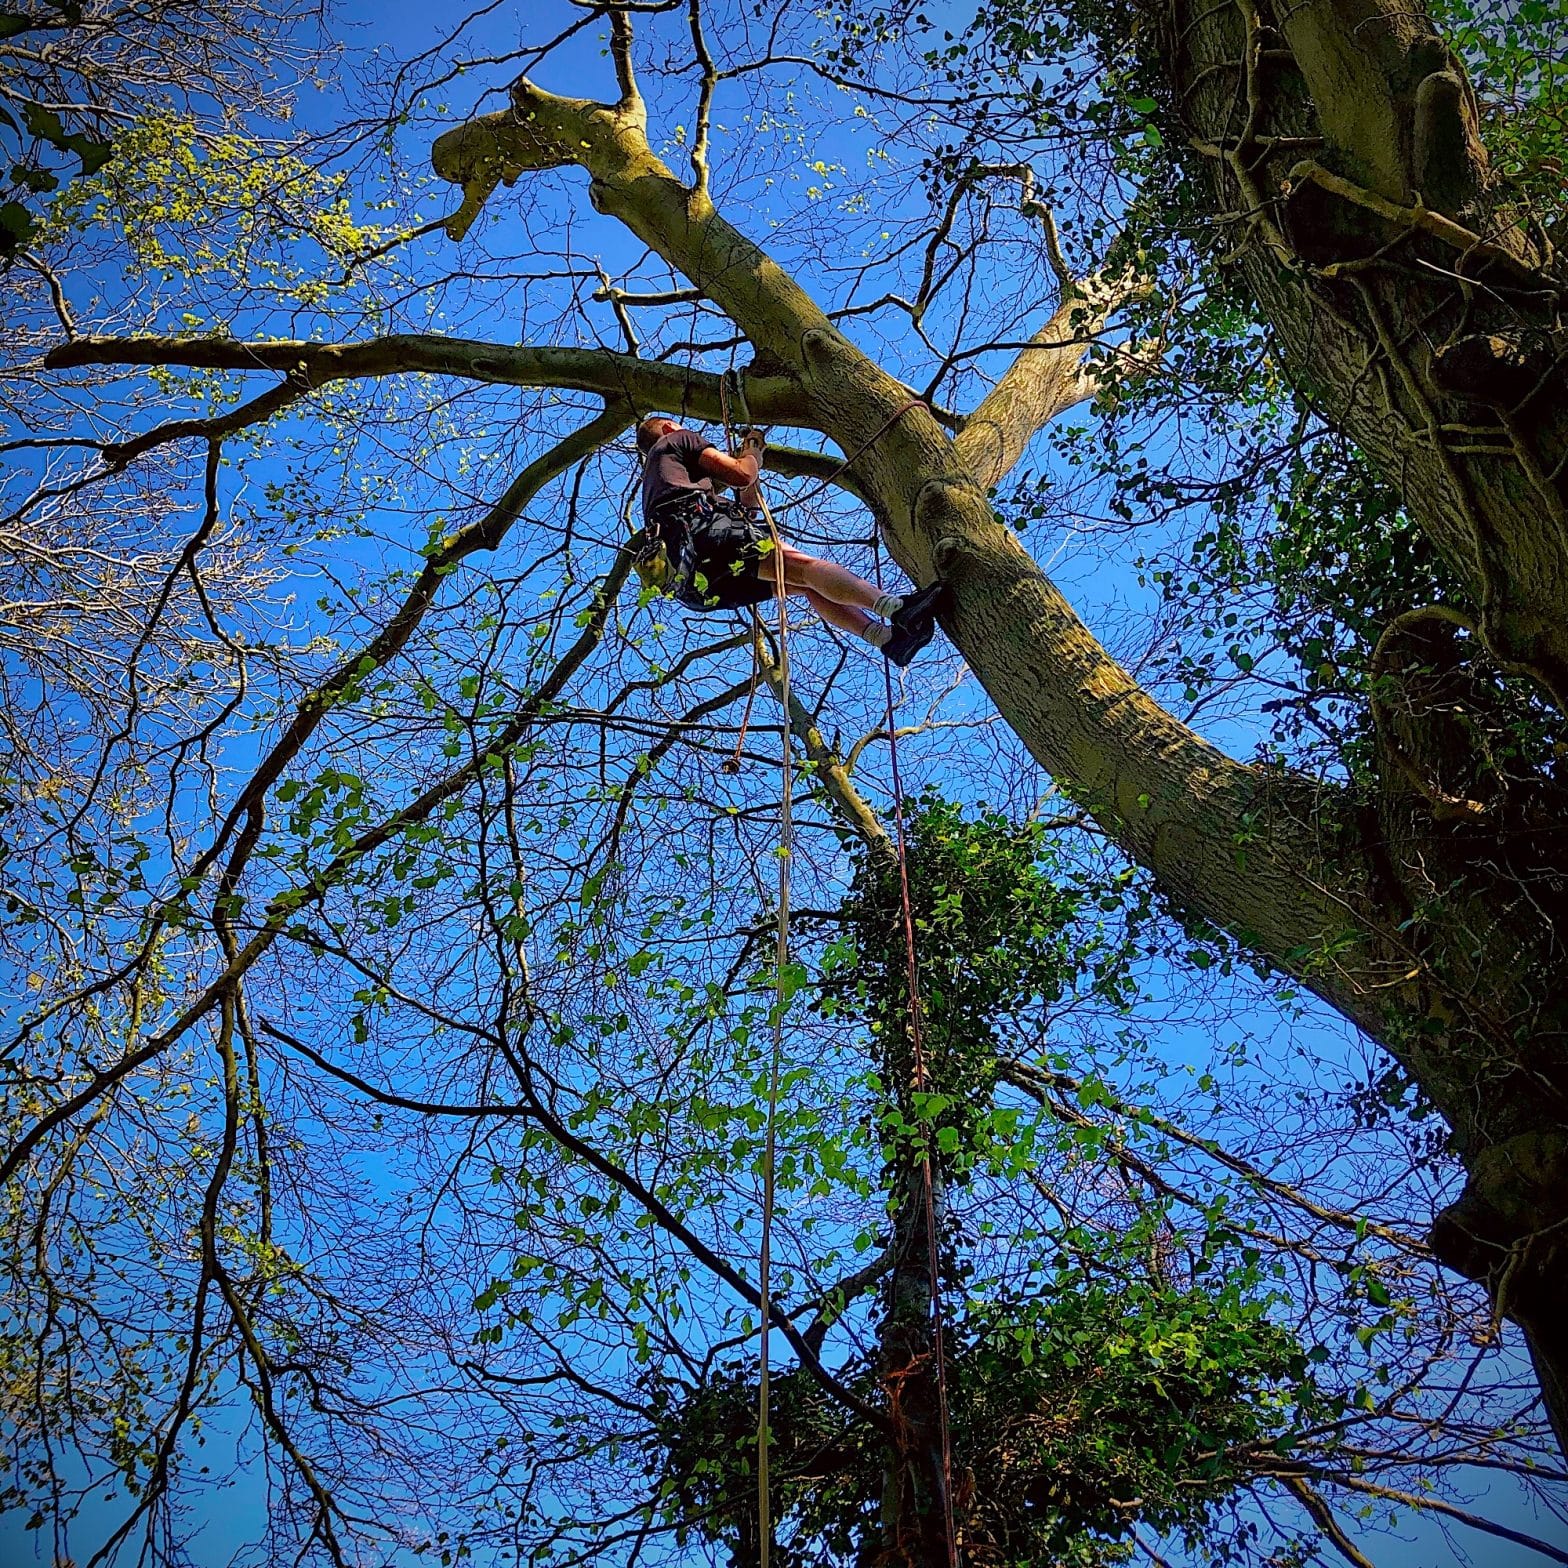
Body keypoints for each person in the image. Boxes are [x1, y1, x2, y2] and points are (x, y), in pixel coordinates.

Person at [635, 414, 948, 667]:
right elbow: (741, 475)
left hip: (693, 584)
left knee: (801, 583)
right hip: (704, 536)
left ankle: (885, 638)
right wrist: (751, 456)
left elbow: (746, 509)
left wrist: (750, 468)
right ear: (668, 428)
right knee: (805, 567)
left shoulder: (661, 485)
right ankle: (895, 608)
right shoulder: (676, 439)